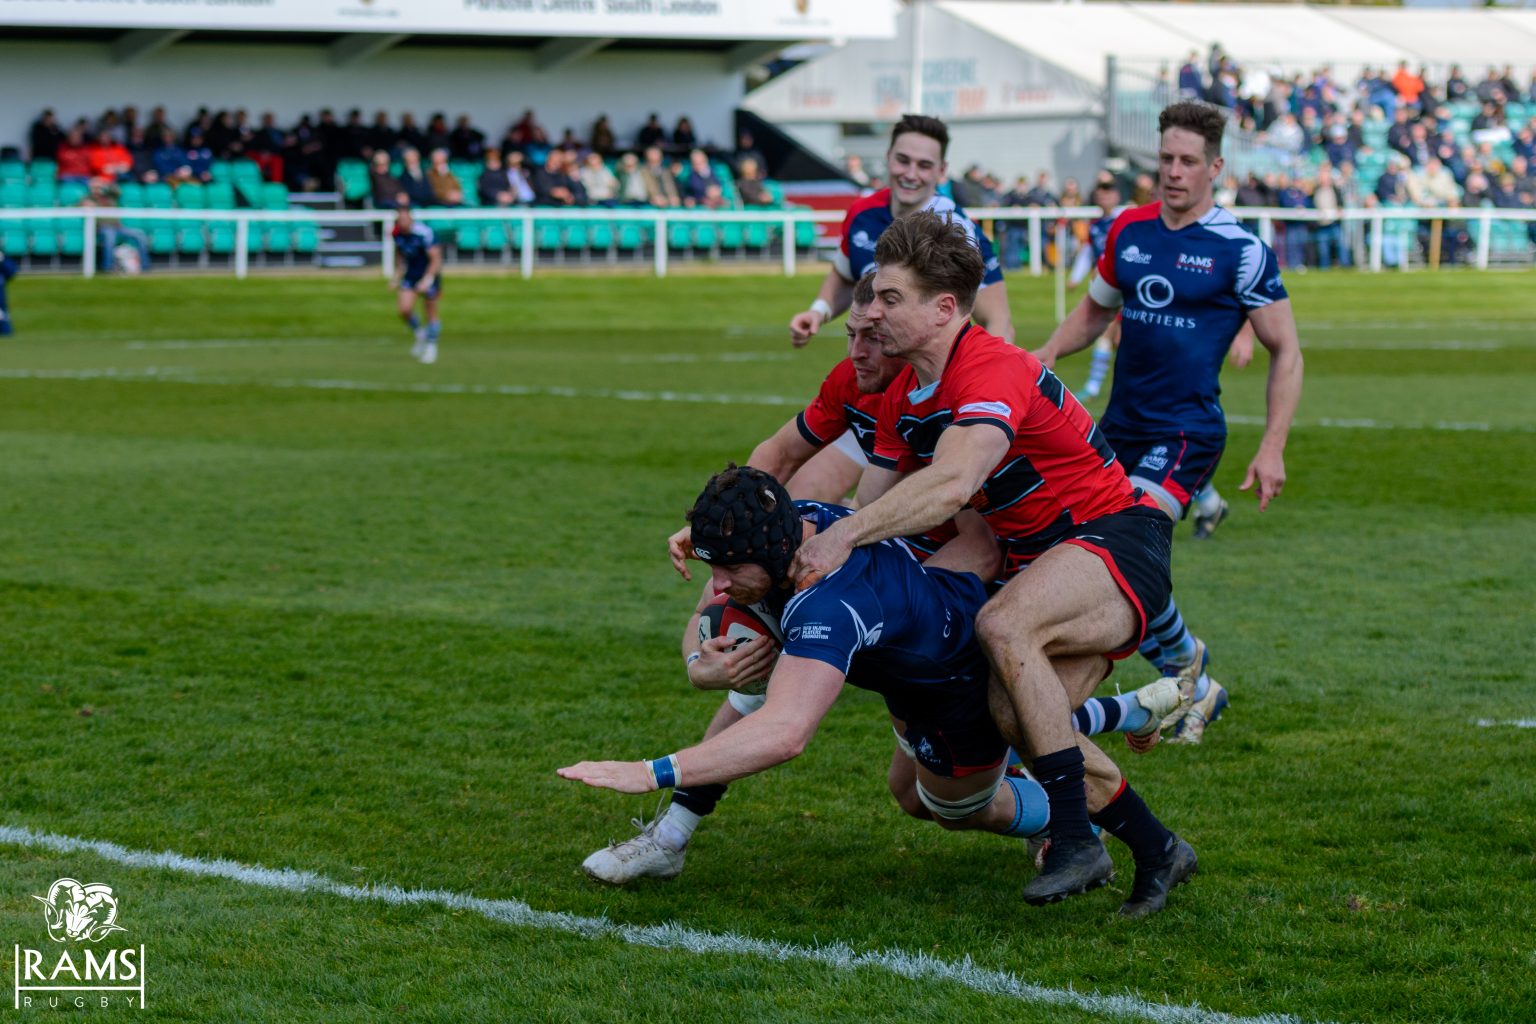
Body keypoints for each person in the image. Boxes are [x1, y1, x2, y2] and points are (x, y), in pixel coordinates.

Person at [580, 282, 1186, 887]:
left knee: (955, 793)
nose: (860, 351)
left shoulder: (955, 396)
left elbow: (981, 540)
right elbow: (786, 457)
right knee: (768, 665)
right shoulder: (861, 386)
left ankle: (1082, 805)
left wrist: (893, 601)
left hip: (989, 578)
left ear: (918, 333)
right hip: (897, 572)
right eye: (852, 334)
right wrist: (719, 531)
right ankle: (671, 835)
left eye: (876, 336)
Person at [789, 211, 1197, 912]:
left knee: (1005, 627)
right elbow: (877, 513)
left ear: (944, 308)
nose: (874, 311)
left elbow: (949, 483)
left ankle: (1074, 838)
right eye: (873, 297)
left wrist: (844, 537)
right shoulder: (901, 399)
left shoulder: (991, 366)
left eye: (891, 299)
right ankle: (1159, 847)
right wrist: (781, 557)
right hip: (1038, 562)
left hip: (1114, 537)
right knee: (1007, 720)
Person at [561, 466, 1192, 918]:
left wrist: (652, 772)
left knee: (949, 807)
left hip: (955, 694)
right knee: (901, 791)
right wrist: (701, 657)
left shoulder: (828, 607)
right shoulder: (796, 525)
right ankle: (1123, 711)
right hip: (914, 668)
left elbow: (786, 734)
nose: (718, 585)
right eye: (712, 568)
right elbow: (715, 611)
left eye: (729, 570)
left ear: (774, 551)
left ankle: (1080, 816)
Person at [1033, 100, 1304, 739]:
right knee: (1077, 547)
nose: (1174, 172)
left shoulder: (1240, 249)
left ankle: (1180, 673)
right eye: (1165, 160)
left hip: (1185, 434)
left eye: (1188, 162)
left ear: (1215, 166)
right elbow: (1096, 311)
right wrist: (1046, 353)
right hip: (1117, 427)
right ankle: (1192, 676)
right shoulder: (1128, 230)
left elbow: (1286, 350)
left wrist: (1273, 447)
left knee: (1129, 552)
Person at [788, 114, 1012, 347]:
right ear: (888, 157)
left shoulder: (959, 230)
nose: (911, 174)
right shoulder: (862, 213)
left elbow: (998, 320)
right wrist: (818, 311)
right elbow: (845, 277)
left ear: (941, 170)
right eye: (903, 160)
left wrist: (991, 374)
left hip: (929, 379)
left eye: (924, 165)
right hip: (870, 371)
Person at [390, 207, 443, 365]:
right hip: (411, 275)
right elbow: (399, 255)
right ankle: (420, 333)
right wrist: (396, 276)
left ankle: (431, 346)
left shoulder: (424, 233)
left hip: (429, 274)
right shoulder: (397, 234)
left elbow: (436, 258)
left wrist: (427, 280)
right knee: (404, 309)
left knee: (430, 310)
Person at [0, 248, 17, 337]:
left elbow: (11, 272)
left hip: (1, 296)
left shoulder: (3, 258)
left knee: (6, 330)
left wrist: (2, 261)